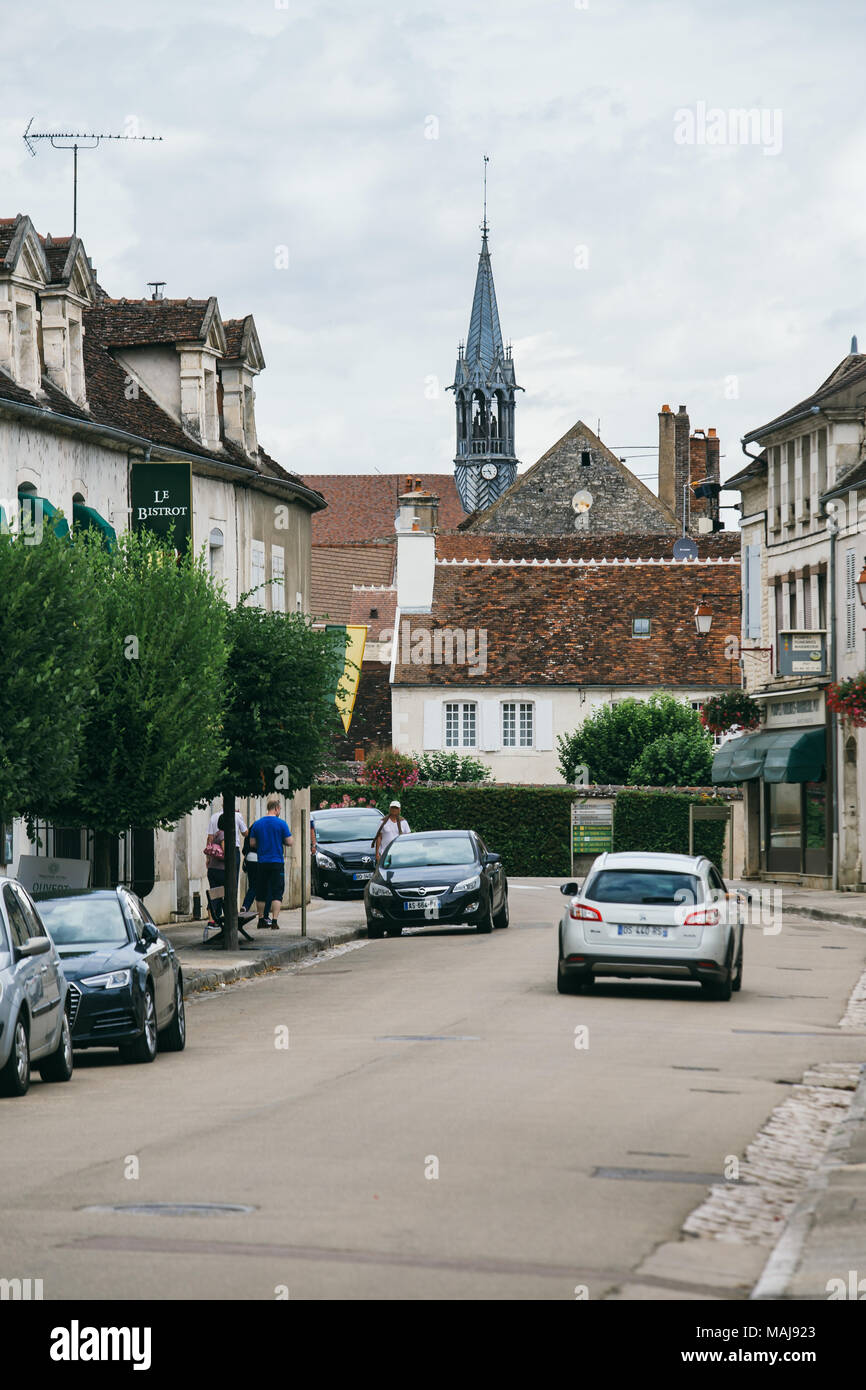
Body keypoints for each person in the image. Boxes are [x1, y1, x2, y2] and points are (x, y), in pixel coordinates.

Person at [249, 796, 293, 930]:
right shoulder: (281, 824)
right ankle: (274, 921)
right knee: (277, 892)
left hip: (262, 861)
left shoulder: (257, 823)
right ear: (276, 808)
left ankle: (261, 919)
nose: (280, 811)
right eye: (279, 808)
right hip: (276, 862)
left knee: (261, 891)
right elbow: (290, 842)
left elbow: (252, 843)